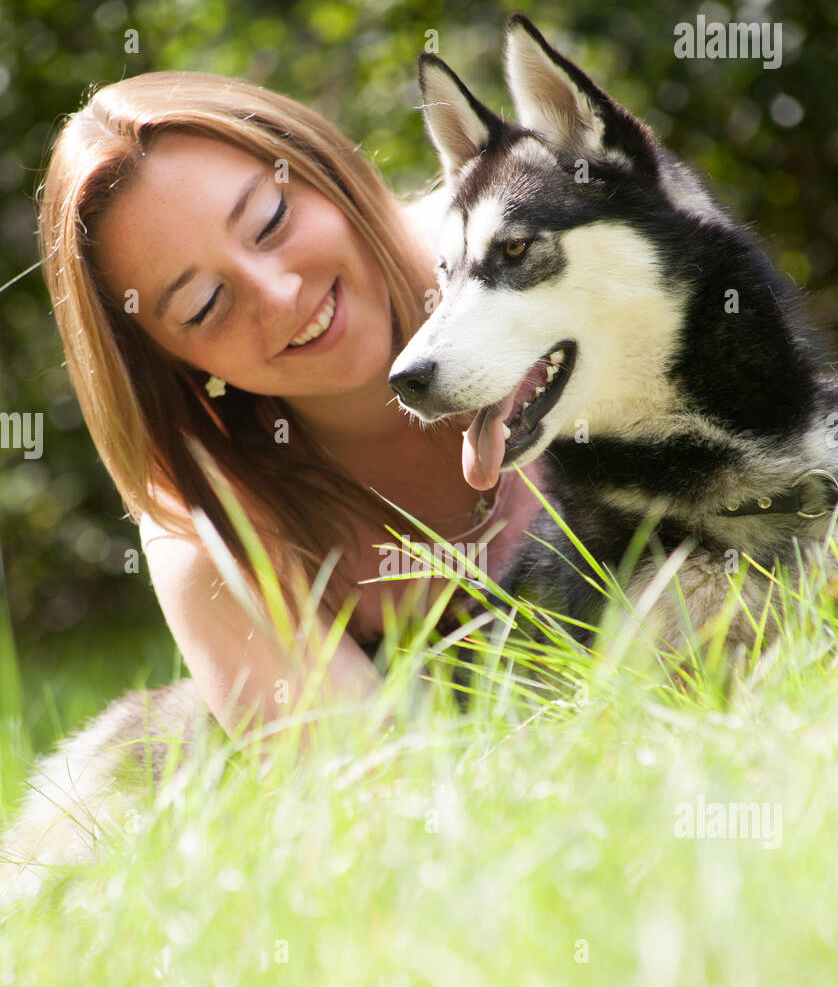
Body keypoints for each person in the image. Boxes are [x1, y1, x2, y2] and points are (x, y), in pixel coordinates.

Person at [35, 68, 550, 745]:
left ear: (323, 169)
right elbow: (375, 793)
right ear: (174, 367)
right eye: (204, 306)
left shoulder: (549, 244)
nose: (278, 296)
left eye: (271, 221)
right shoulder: (211, 524)